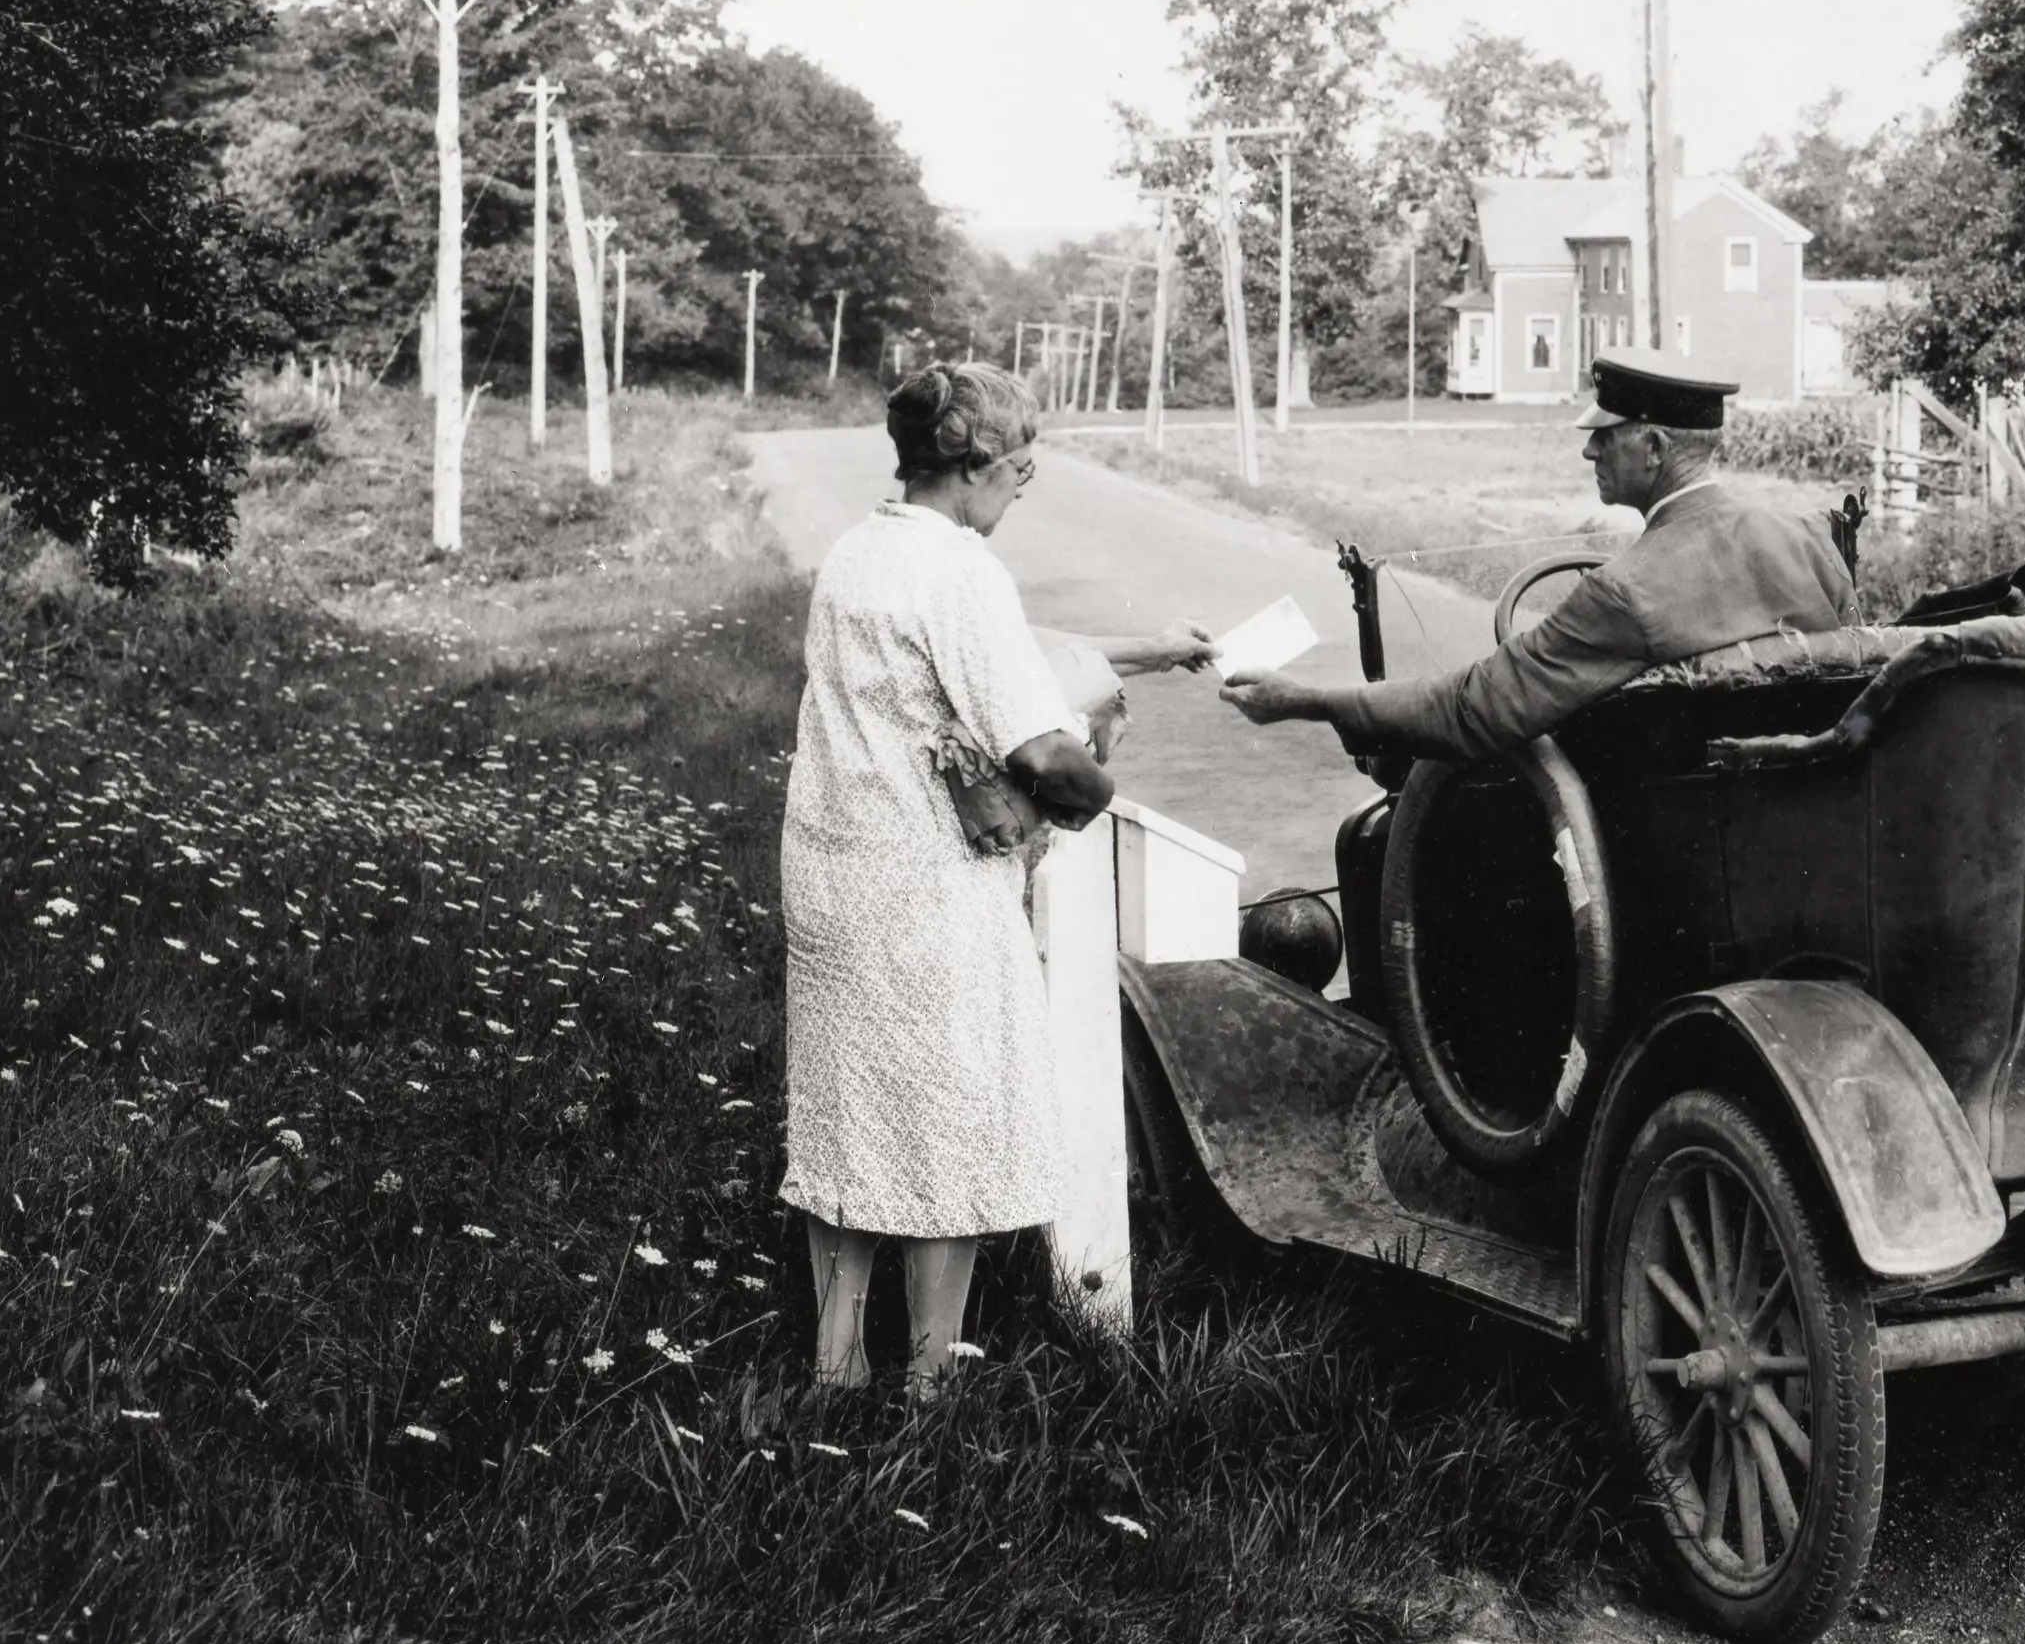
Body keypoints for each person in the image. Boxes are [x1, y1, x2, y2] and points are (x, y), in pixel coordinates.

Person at [778, 361, 1210, 1394]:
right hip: (926, 890)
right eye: (1019, 469)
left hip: (832, 875)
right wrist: (1092, 779)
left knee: (849, 1113)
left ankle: (834, 1367)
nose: (1023, 489)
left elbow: (988, 652)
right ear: (972, 468)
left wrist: (1148, 649)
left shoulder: (860, 549)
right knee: (953, 1118)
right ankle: (931, 1385)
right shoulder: (964, 569)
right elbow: (1044, 752)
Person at [1219, 349, 1853, 760]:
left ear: (1656, 448)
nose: (1588, 454)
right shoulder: (1811, 541)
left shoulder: (1623, 591)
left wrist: (1307, 701)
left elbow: (1472, 708)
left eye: (1604, 438)